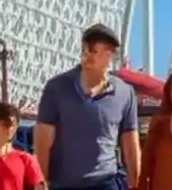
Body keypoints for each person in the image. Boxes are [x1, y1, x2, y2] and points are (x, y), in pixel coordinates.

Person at [34, 23, 141, 190]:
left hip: (104, 182)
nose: (87, 55)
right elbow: (43, 138)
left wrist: (136, 183)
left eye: (93, 51)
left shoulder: (125, 93)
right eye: (84, 50)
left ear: (109, 55)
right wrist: (42, 181)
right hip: (63, 183)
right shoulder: (57, 88)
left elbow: (130, 142)